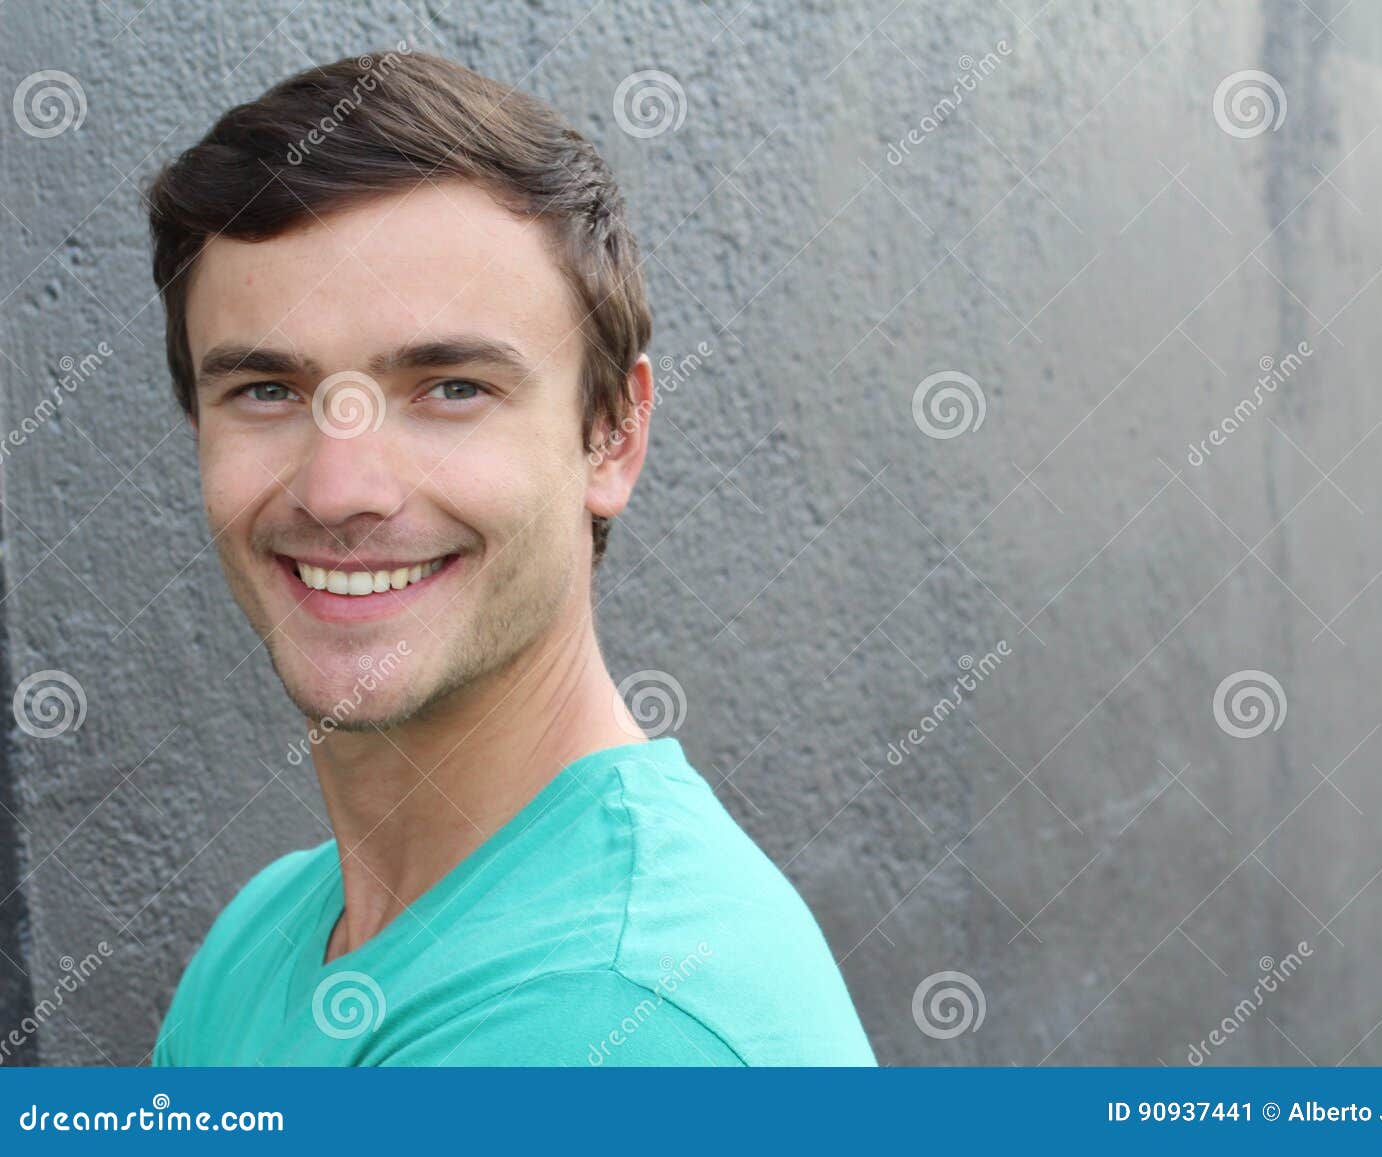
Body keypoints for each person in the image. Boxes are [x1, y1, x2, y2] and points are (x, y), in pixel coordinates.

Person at [146, 48, 874, 1066]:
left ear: (612, 434)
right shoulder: (262, 938)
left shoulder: (624, 1022)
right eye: (267, 390)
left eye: (449, 387)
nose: (339, 487)